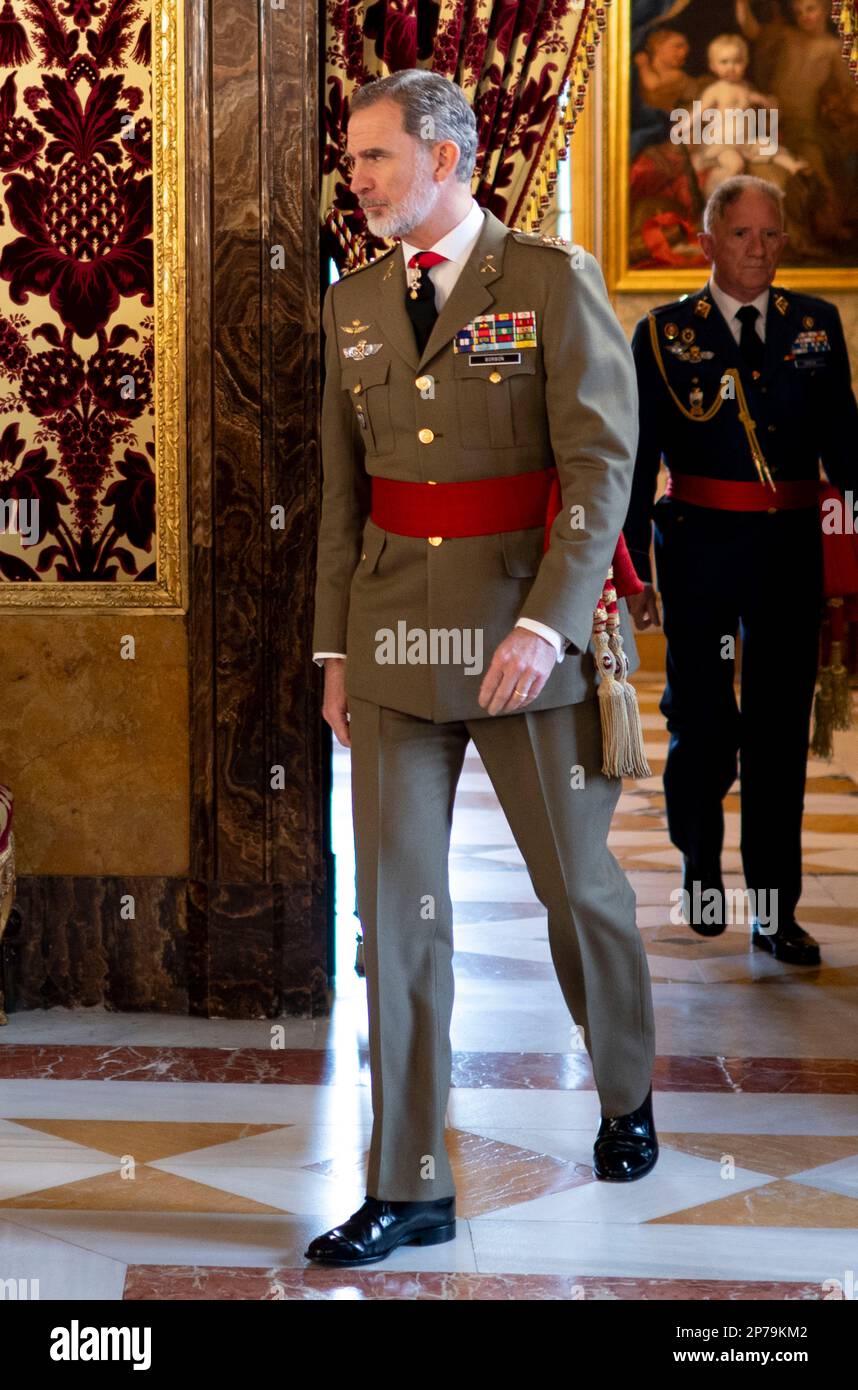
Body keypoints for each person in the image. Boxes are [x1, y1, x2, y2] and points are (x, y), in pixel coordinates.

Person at [306, 68, 658, 1268]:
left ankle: (624, 1089)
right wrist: (337, 649)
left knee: (578, 892)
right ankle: (409, 1184)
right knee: (397, 920)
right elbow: (343, 499)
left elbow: (602, 468)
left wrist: (549, 624)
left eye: (374, 159)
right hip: (397, 642)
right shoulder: (352, 300)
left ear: (445, 158)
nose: (355, 180)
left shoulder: (551, 282)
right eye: (353, 161)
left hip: (523, 645)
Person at [624, 174, 858, 961]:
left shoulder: (816, 327)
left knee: (779, 732)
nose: (758, 251)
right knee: (703, 722)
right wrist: (631, 574)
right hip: (697, 550)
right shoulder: (662, 334)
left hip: (789, 551)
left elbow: (846, 449)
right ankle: (698, 859)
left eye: (771, 236)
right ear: (707, 242)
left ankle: (773, 909)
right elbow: (637, 461)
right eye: (741, 235)